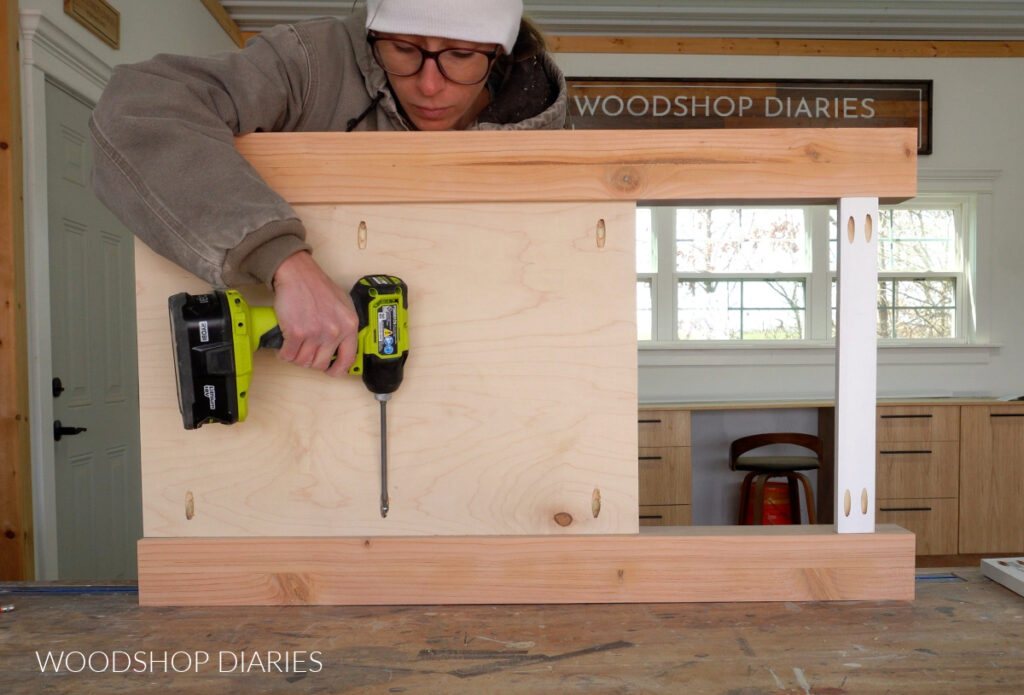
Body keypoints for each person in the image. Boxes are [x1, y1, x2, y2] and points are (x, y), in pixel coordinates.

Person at [90, 0, 567, 376]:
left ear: (500, 51)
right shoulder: (314, 64)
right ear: (373, 34)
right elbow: (138, 110)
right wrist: (281, 260)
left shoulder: (542, 123)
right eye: (403, 49)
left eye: (460, 56)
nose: (428, 85)